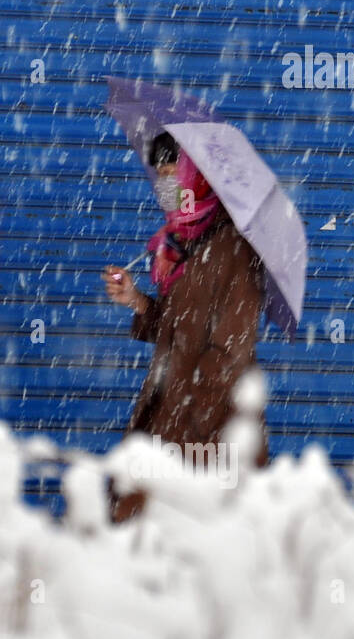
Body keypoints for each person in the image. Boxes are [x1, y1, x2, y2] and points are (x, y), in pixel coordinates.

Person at [103, 131, 269, 522]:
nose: (165, 185)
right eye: (159, 174)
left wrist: (185, 425)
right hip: (174, 410)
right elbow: (181, 327)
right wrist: (138, 301)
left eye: (172, 172)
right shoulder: (181, 244)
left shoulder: (234, 247)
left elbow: (232, 349)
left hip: (211, 430)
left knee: (179, 537)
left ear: (200, 175)